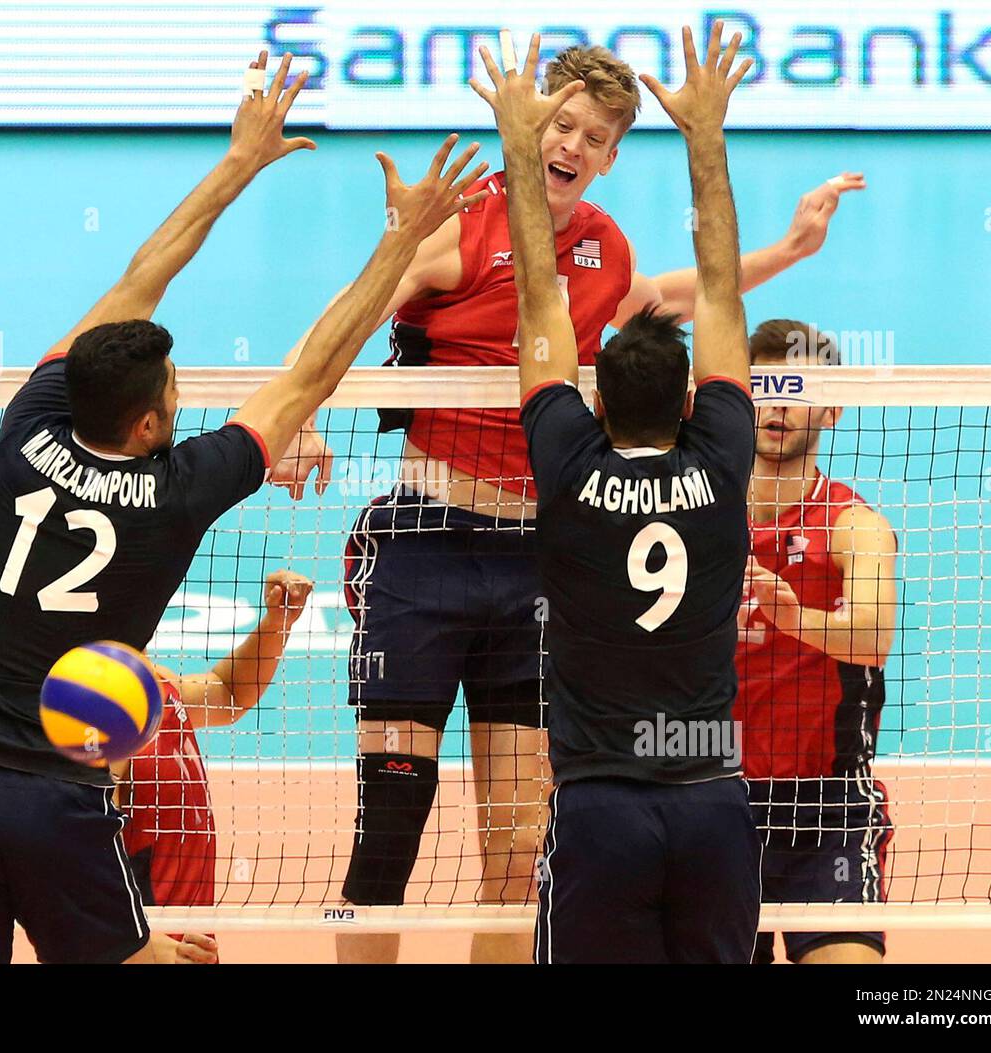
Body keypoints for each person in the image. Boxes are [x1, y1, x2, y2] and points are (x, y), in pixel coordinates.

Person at [0, 49, 489, 964]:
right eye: (174, 390)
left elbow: (143, 274)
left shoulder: (32, 421)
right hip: (63, 799)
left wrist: (236, 161)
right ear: (145, 424)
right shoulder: (180, 492)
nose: (184, 394)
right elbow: (314, 369)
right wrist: (401, 242)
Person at [272, 42, 862, 964]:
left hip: (534, 557)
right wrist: (301, 412)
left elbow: (671, 296)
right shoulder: (457, 226)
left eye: (597, 136)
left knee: (515, 852)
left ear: (612, 154)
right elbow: (359, 301)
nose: (575, 144)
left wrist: (785, 252)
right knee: (389, 825)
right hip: (426, 541)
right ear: (536, 126)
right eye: (562, 125)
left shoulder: (604, 242)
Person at [474, 23, 759, 962]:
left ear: (592, 400)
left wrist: (520, 146)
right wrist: (705, 136)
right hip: (711, 796)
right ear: (692, 400)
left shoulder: (566, 463)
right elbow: (719, 290)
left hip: (599, 804)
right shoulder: (721, 466)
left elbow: (539, 300)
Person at [736, 319, 898, 964]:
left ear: (830, 407)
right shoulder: (692, 521)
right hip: (712, 802)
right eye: (764, 388)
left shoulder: (853, 524)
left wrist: (793, 614)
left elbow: (873, 637)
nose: (778, 405)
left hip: (827, 809)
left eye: (796, 390)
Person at [113, 570, 314, 965]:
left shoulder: (157, 686)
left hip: (187, 943)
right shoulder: (99, 712)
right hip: (147, 949)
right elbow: (77, 860)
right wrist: (146, 946)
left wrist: (276, 623)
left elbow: (229, 691)